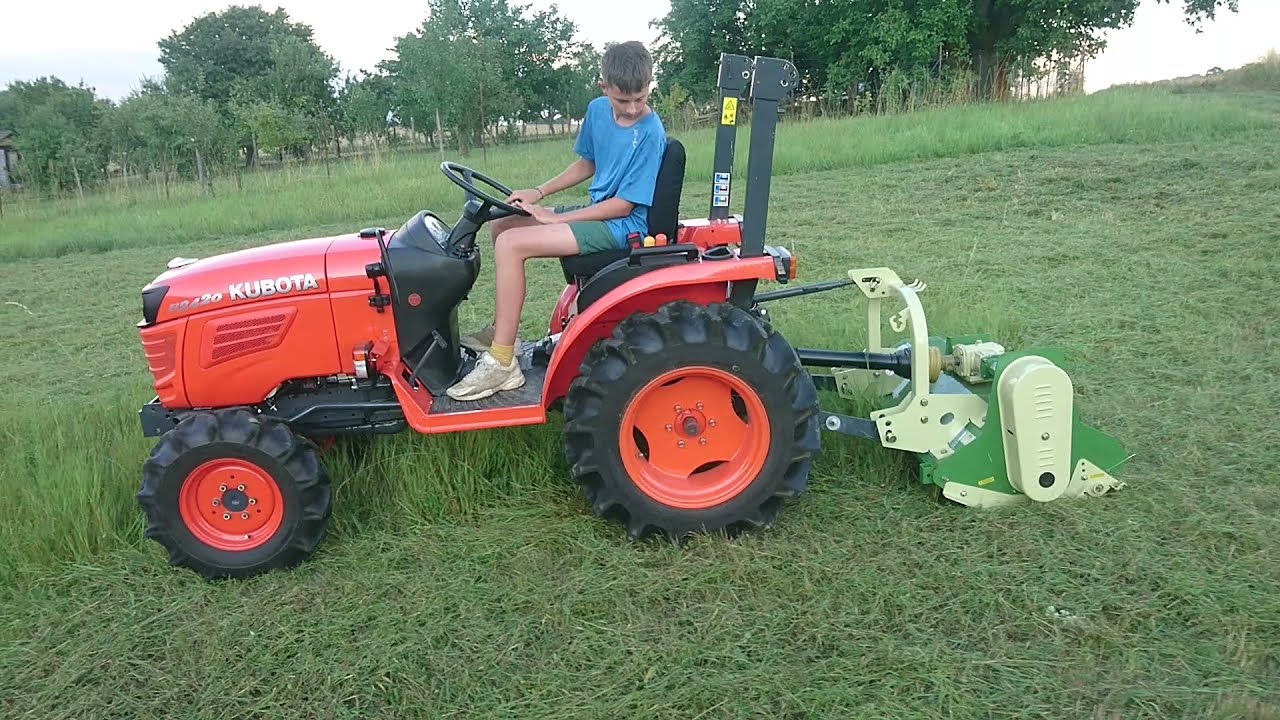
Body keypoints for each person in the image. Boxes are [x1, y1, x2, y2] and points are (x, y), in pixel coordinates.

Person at [446, 40, 667, 401]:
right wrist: (538, 193)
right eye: (622, 100)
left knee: (512, 244)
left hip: (624, 227)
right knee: (503, 225)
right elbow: (587, 163)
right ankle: (508, 336)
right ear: (604, 87)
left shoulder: (651, 132)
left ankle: (503, 365)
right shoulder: (597, 112)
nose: (631, 109)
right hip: (600, 214)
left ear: (649, 86)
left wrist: (554, 220)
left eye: (639, 99)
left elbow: (624, 206)